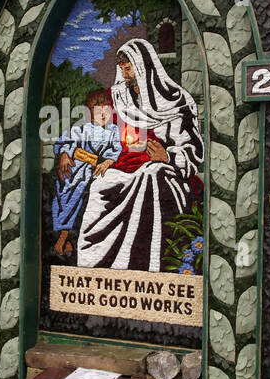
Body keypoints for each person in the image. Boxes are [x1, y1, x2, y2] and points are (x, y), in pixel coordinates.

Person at [77, 37, 203, 272]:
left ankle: (146, 266)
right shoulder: (118, 99)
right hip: (124, 169)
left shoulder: (175, 102)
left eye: (129, 68)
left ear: (145, 66)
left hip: (167, 172)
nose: (125, 75)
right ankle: (93, 265)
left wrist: (167, 156)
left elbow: (192, 151)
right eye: (122, 69)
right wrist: (105, 159)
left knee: (151, 174)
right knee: (100, 184)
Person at [52, 88, 121, 256]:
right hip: (77, 170)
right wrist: (64, 154)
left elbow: (115, 150)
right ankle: (63, 236)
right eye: (98, 111)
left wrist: (108, 162)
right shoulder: (83, 129)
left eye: (106, 110)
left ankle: (71, 238)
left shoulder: (113, 131)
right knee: (69, 189)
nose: (103, 115)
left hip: (97, 170)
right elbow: (64, 142)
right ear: (90, 113)